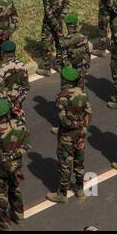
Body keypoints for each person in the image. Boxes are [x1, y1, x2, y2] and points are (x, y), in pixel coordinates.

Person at [47, 66, 91, 203]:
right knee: (79, 162)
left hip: (67, 136)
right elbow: (88, 114)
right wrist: (82, 127)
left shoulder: (62, 97)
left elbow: (63, 120)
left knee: (65, 164)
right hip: (81, 134)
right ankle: (79, 188)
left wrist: (73, 125)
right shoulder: (83, 94)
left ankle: (62, 193)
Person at [0, 99, 30, 229]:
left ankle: (4, 222)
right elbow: (27, 145)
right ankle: (18, 215)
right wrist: (14, 157)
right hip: (17, 164)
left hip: (2, 169)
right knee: (15, 188)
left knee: (0, 192)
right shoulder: (20, 125)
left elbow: (0, 157)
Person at [39, 0, 70, 74]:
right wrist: (60, 20)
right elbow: (67, 6)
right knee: (59, 44)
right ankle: (58, 65)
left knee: (47, 45)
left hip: (48, 24)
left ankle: (46, 68)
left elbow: (48, 12)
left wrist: (54, 23)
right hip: (59, 22)